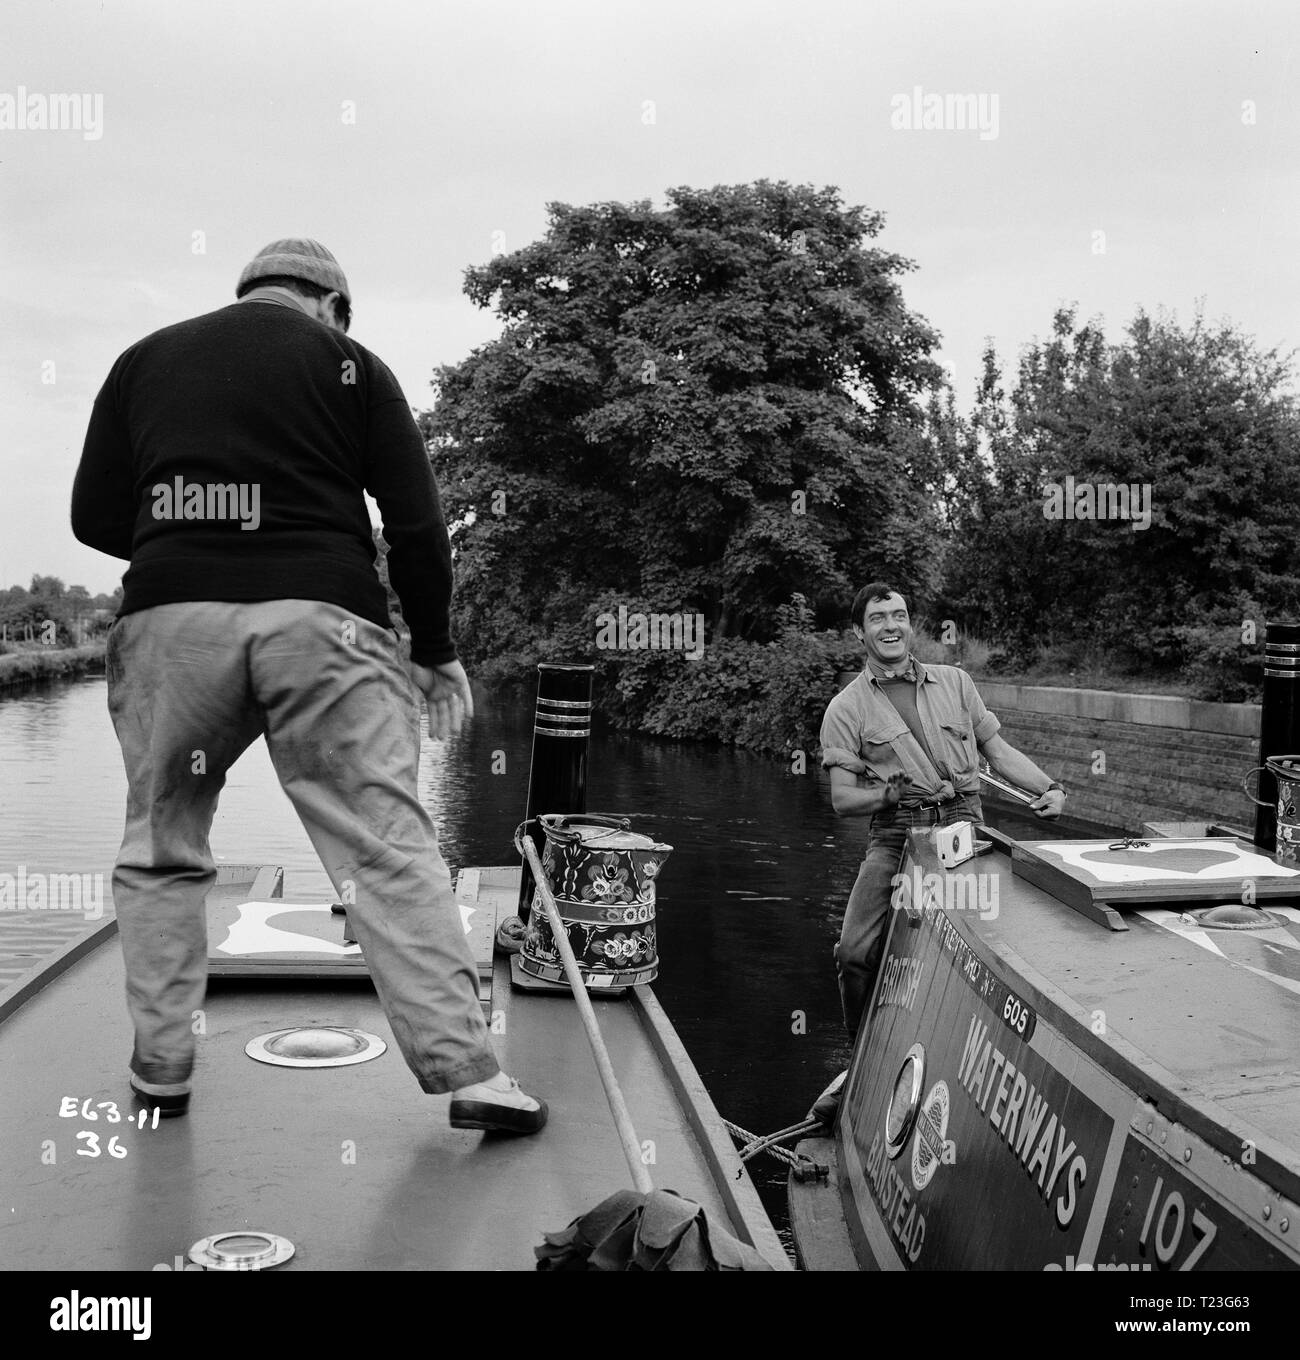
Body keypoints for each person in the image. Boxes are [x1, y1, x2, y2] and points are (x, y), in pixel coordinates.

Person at [71, 238, 545, 1134]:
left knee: (161, 844)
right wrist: (434, 645)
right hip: (323, 622)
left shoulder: (143, 360)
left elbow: (94, 516)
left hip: (172, 627)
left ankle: (163, 1070)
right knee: (383, 846)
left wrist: (190, 551)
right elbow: (416, 522)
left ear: (249, 292)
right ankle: (469, 1074)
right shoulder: (352, 366)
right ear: (332, 306)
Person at [820, 582, 1066, 1043]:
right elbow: (842, 800)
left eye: (898, 615)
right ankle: (862, 1052)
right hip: (895, 835)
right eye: (877, 618)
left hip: (965, 825)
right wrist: (883, 798)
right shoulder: (845, 708)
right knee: (853, 952)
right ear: (859, 632)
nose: (891, 626)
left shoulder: (955, 682)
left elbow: (998, 750)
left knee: (997, 945)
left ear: (910, 625)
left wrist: (1048, 787)